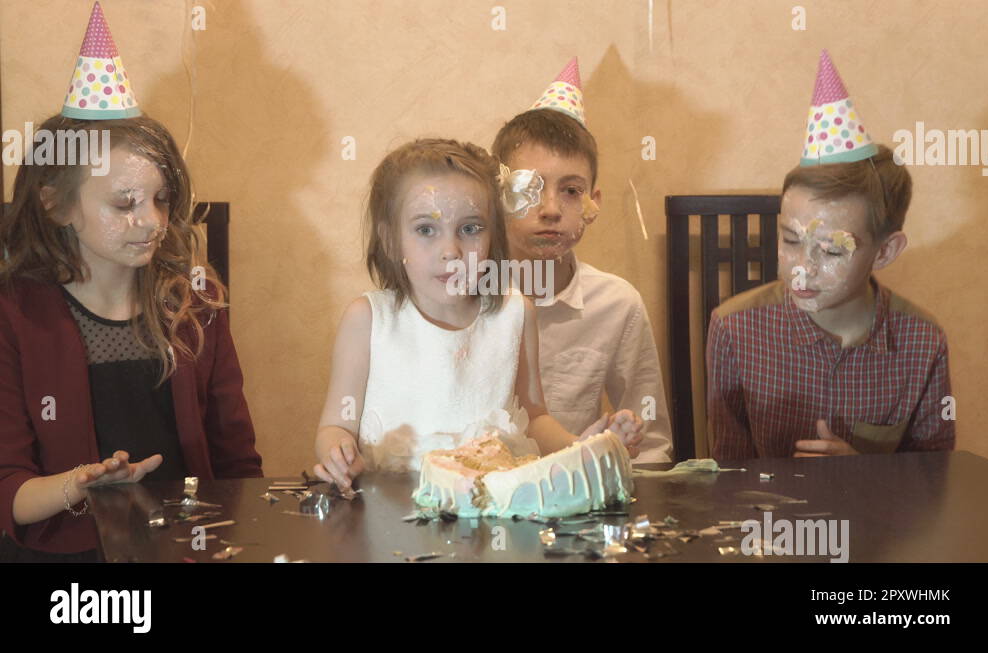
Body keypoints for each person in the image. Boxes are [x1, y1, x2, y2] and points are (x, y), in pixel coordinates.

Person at [0, 3, 261, 562]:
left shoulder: (197, 304)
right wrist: (81, 484)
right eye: (124, 204)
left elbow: (237, 460)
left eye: (161, 200)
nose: (152, 221)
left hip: (184, 546)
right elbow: (9, 490)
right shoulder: (15, 316)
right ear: (57, 205)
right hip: (66, 559)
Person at [313, 138, 643, 490]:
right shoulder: (368, 319)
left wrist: (581, 447)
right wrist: (338, 450)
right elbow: (337, 425)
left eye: (470, 229)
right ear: (391, 240)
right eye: (426, 229)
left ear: (493, 235)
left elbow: (534, 419)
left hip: (491, 516)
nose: (450, 250)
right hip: (391, 517)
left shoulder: (515, 314)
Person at [707, 51, 955, 460]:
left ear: (885, 250)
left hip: (878, 523)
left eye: (833, 248)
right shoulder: (735, 330)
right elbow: (728, 472)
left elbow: (936, 478)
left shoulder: (922, 341)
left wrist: (859, 478)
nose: (803, 268)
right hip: (769, 523)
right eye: (790, 239)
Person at [491, 58, 673, 463]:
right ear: (497, 195)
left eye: (571, 191)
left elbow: (653, 446)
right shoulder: (463, 296)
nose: (551, 209)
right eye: (530, 189)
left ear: (594, 203)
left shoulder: (616, 304)